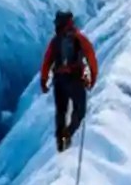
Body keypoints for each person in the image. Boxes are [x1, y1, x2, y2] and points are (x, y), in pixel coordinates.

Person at [40, 10, 98, 152]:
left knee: (61, 111)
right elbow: (91, 58)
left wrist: (44, 80)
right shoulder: (79, 38)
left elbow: (47, 61)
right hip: (75, 79)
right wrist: (92, 79)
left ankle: (61, 141)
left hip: (59, 81)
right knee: (80, 110)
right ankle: (70, 133)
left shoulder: (55, 41)